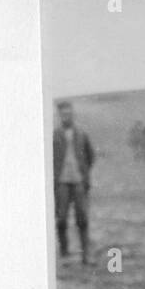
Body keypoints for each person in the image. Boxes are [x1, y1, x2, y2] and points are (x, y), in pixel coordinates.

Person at [53, 100, 95, 264]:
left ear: (73, 114)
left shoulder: (81, 134)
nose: (66, 117)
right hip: (61, 183)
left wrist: (83, 174)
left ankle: (85, 256)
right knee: (62, 218)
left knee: (82, 218)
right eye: (63, 114)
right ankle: (64, 252)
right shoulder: (54, 135)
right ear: (59, 115)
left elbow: (90, 156)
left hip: (78, 182)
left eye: (69, 114)